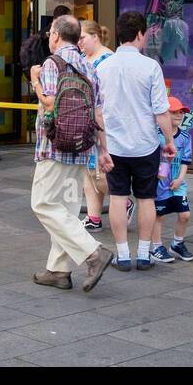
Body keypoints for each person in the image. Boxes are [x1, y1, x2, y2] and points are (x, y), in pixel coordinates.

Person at [28, 14, 114, 292]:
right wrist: (103, 149)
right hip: (81, 146)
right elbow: (98, 112)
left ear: (55, 35)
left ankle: (93, 253)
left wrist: (36, 82)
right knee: (64, 209)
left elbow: (50, 103)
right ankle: (58, 270)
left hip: (54, 146)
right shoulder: (89, 66)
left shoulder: (52, 64)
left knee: (42, 204)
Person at [96, 10, 175, 271]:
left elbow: (97, 110)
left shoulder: (103, 66)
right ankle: (143, 253)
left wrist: (101, 144)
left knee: (118, 198)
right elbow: (161, 111)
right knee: (146, 198)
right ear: (140, 34)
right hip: (145, 145)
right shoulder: (150, 66)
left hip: (114, 146)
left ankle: (121, 255)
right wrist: (169, 140)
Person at [76, 19, 122, 233]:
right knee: (88, 173)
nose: (79, 43)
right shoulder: (84, 59)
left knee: (101, 173)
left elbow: (110, 100)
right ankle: (94, 217)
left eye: (82, 38)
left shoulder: (109, 60)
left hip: (105, 126)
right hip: (87, 125)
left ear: (95, 36)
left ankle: (123, 203)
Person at [149, 96, 193, 263]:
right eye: (174, 112)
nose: (179, 115)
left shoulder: (185, 137)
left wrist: (180, 179)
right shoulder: (156, 135)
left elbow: (185, 161)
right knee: (158, 215)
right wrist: (160, 172)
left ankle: (177, 243)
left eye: (181, 112)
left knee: (185, 215)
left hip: (178, 183)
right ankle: (156, 247)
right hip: (160, 183)